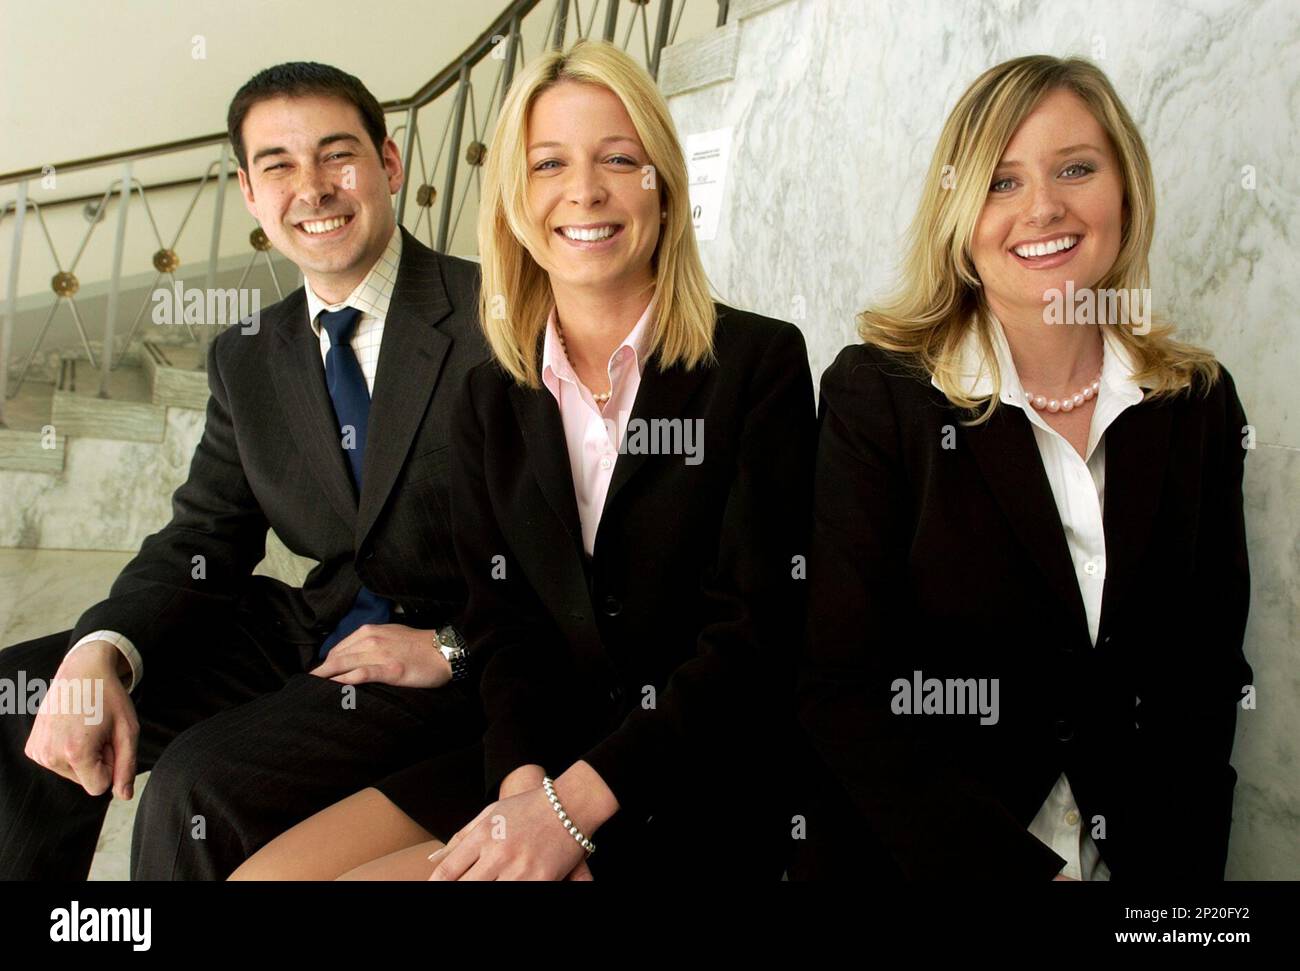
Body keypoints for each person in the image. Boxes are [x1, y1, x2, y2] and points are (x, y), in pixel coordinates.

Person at [232, 40, 815, 882]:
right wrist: (521, 793)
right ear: (514, 198)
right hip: (542, 762)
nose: (585, 191)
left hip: (692, 774)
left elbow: (756, 636)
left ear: (664, 185)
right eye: (549, 164)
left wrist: (567, 813)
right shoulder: (491, 394)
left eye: (619, 159)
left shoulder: (759, 363)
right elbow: (506, 631)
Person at [0, 61, 488, 880]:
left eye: (338, 156)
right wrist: (101, 645)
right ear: (250, 193)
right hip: (314, 629)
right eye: (279, 166)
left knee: (198, 786)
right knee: (26, 693)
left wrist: (454, 643)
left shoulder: (495, 315)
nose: (313, 188)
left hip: (449, 660)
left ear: (389, 163)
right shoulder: (249, 354)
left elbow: (582, 547)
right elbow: (203, 535)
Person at [796, 55, 1251, 881]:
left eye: (1076, 168)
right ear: (959, 215)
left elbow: (1206, 681)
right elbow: (846, 690)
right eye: (1001, 182)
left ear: (1125, 191)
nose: (1043, 206)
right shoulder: (878, 397)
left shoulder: (1199, 404)